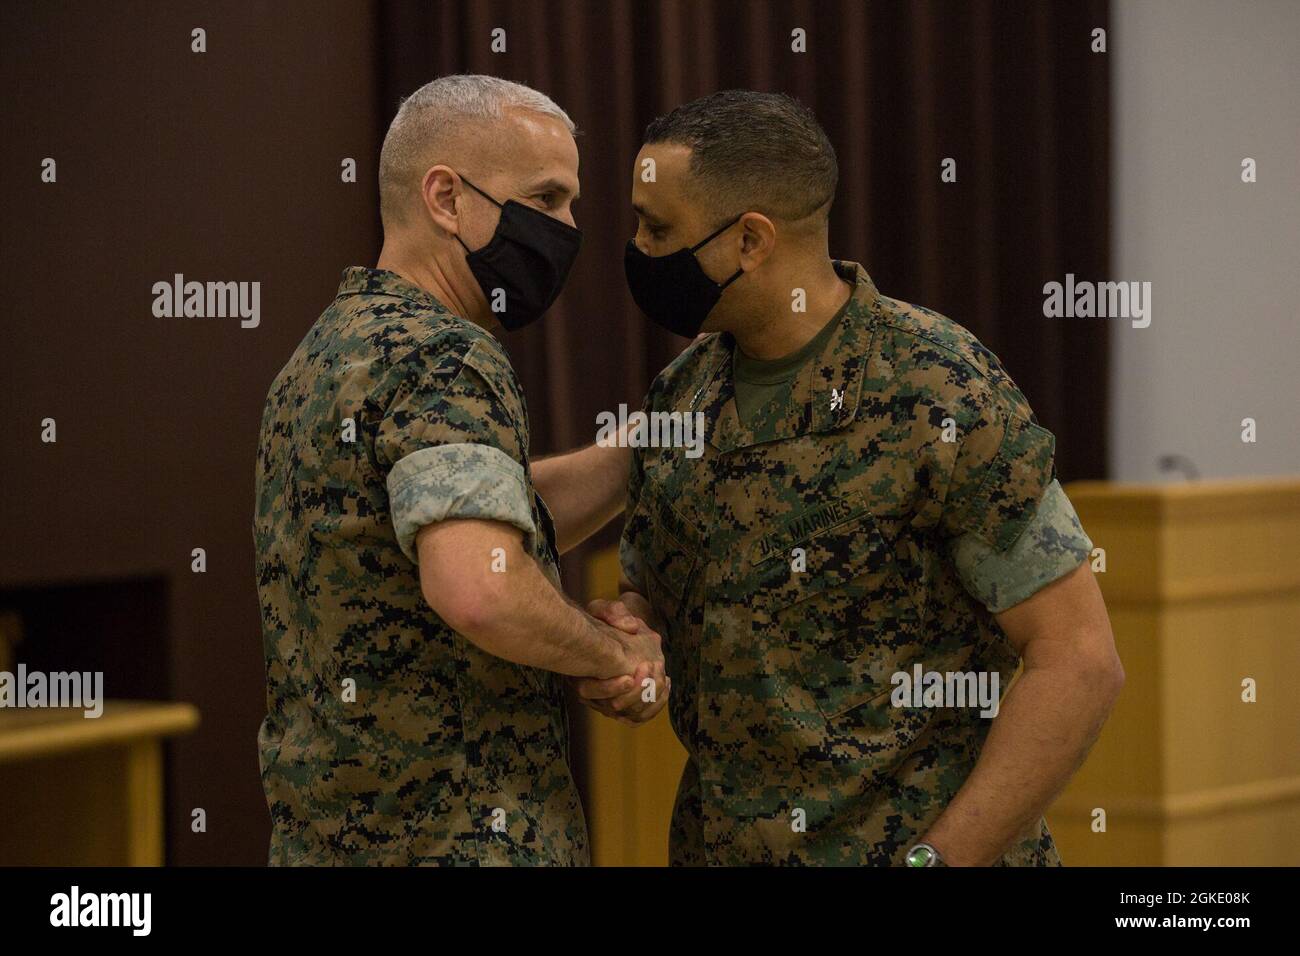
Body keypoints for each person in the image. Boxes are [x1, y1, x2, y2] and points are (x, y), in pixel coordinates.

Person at [586, 90, 1124, 866]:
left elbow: (1078, 660)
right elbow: (659, 592)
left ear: (749, 240)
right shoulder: (685, 393)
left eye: (658, 227)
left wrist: (939, 859)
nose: (637, 247)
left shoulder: (936, 387)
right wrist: (633, 637)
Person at [253, 74, 665, 866]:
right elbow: (479, 587)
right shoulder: (442, 355)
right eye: (547, 199)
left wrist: (648, 443)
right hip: (459, 839)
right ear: (445, 196)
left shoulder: (334, 348)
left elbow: (479, 516)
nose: (568, 229)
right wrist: (616, 656)